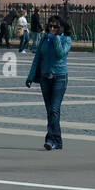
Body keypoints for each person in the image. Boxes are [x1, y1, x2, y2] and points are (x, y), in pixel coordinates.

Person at [26, 15, 72, 150]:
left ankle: (51, 139)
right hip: (45, 78)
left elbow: (60, 54)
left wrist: (56, 38)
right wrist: (30, 76)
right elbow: (38, 58)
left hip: (60, 77)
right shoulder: (44, 39)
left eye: (55, 27)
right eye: (50, 26)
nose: (52, 29)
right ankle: (57, 140)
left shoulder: (66, 40)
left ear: (61, 28)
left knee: (54, 109)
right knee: (49, 110)